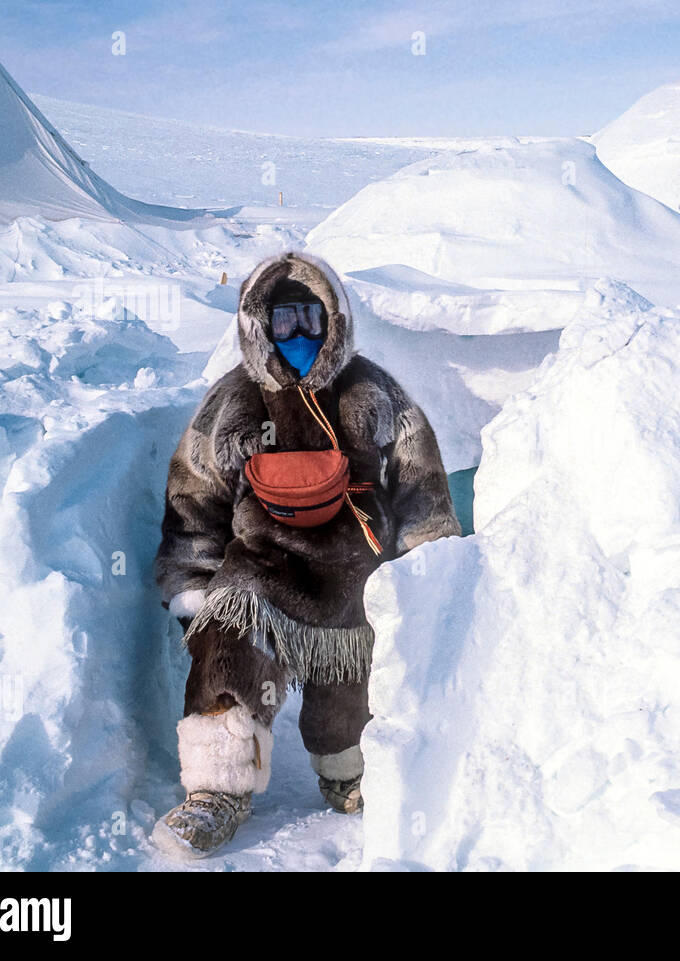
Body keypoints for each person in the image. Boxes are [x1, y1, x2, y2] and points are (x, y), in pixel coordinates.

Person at [151, 251, 460, 859]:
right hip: (259, 573)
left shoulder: (373, 391)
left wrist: (425, 571)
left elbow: (420, 483)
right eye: (281, 321)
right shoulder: (234, 401)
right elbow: (195, 493)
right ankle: (217, 791)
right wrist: (192, 581)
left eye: (309, 320)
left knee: (348, 694)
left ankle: (348, 770)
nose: (296, 336)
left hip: (352, 576)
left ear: (334, 322)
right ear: (257, 326)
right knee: (228, 657)